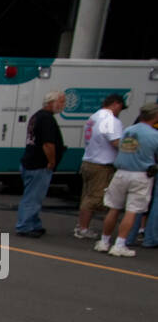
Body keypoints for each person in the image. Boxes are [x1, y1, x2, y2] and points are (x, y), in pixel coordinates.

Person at [93, 103, 158, 258]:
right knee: (132, 211)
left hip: (121, 173)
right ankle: (120, 244)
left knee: (113, 208)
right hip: (140, 174)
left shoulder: (129, 130)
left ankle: (104, 241)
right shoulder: (154, 135)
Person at [74, 93, 125, 239]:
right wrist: (131, 148)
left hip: (89, 160)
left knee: (87, 196)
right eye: (120, 108)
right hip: (101, 164)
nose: (119, 111)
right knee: (95, 198)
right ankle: (83, 228)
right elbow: (116, 142)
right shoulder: (111, 120)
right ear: (116, 104)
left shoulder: (94, 117)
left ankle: (81, 225)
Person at [15, 90, 66, 238]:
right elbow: (48, 143)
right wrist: (51, 161)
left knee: (33, 195)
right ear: (52, 102)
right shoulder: (46, 119)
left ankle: (33, 223)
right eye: (61, 102)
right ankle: (25, 225)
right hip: (38, 164)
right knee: (33, 197)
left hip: (30, 161)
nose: (62, 105)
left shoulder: (37, 116)